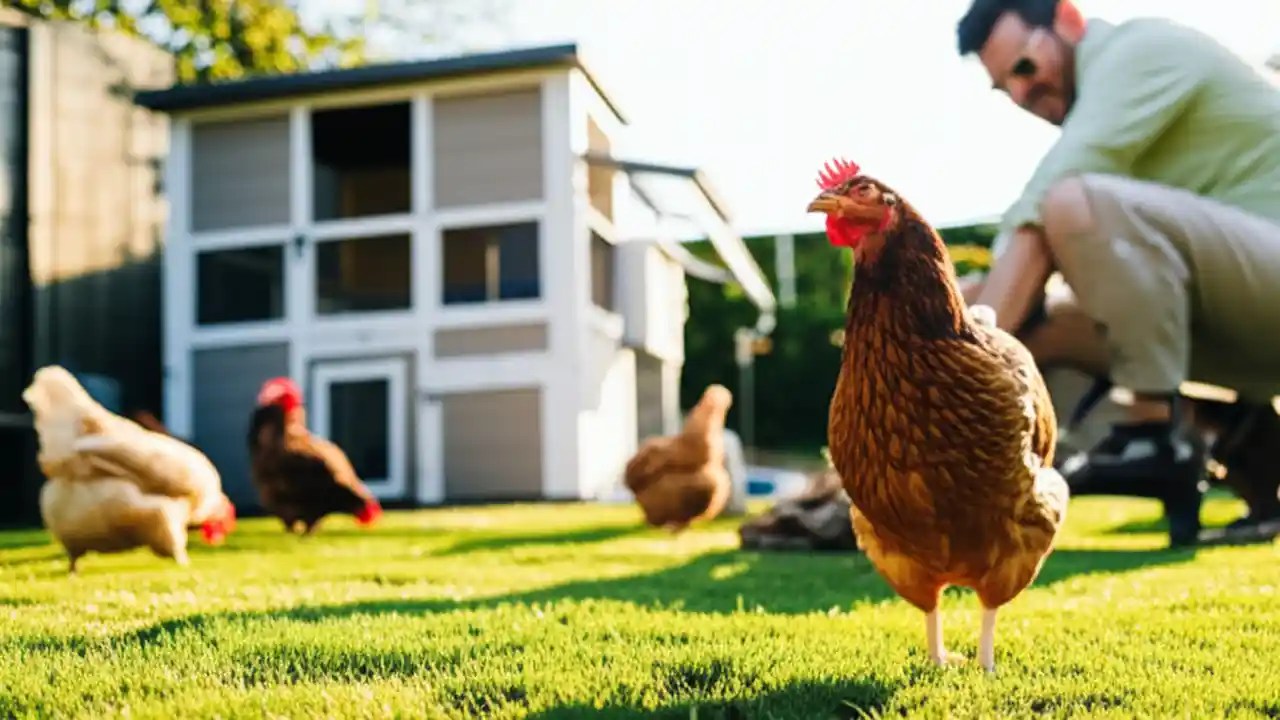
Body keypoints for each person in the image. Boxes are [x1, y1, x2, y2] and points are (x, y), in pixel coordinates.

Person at [954, 0, 1280, 546]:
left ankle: (1153, 437)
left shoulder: (1140, 51)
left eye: (1025, 67)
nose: (1021, 93)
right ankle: (1247, 444)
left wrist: (952, 379)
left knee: (1070, 206)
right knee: (1036, 326)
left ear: (1068, 18)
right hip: (1251, 313)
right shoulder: (1111, 108)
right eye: (1004, 87)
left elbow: (1041, 208)